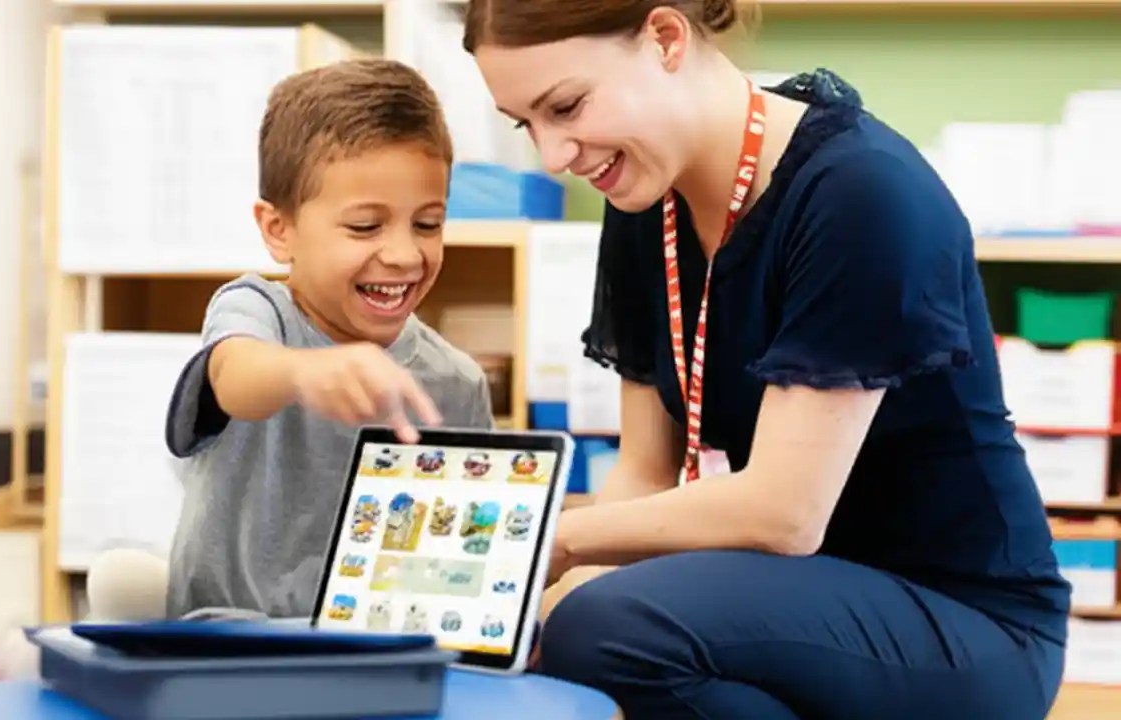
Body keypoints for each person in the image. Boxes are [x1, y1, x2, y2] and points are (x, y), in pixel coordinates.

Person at [463, 1, 1070, 718]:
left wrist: (553, 542)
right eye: (525, 124)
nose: (553, 155)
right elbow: (643, 470)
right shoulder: (645, 201)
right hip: (797, 607)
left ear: (665, 38)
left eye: (565, 106)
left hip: (964, 624)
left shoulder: (860, 190)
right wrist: (527, 616)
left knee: (608, 628)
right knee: (556, 646)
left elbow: (785, 511)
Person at [163, 58, 495, 620]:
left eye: (428, 223)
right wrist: (304, 373)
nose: (404, 255)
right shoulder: (257, 312)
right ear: (279, 229)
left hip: (377, 650)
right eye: (365, 226)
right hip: (228, 646)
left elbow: (460, 550)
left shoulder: (456, 382)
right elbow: (234, 376)